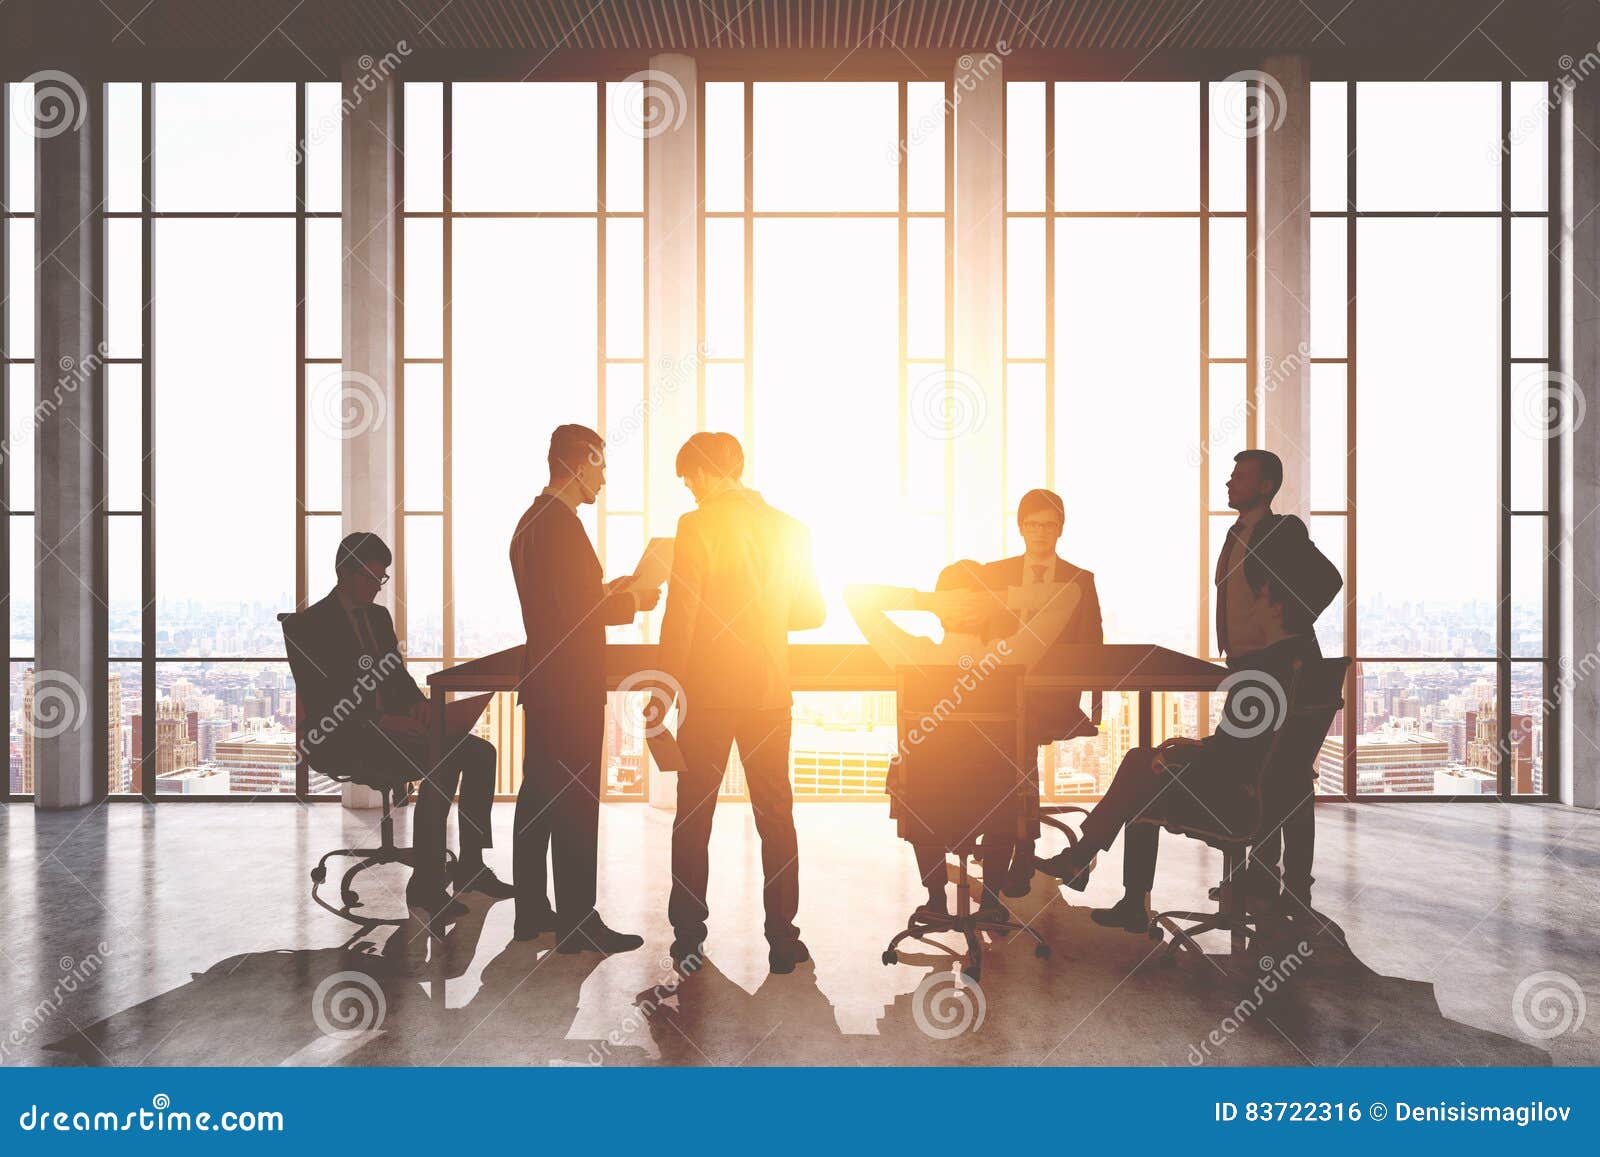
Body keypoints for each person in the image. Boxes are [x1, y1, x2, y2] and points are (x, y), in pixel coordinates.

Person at [1041, 449, 1339, 932]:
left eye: (1239, 477)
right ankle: (1248, 881)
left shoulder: (1282, 535)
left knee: (1146, 766)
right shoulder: (1236, 539)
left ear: (1265, 486)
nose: (1228, 482)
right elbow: (1249, 748)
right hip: (1247, 694)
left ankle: (1108, 877)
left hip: (1236, 774)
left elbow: (1328, 579)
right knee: (1156, 762)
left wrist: (1288, 615)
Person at [657, 432, 826, 973]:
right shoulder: (791, 529)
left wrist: (664, 688)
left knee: (694, 816)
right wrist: (763, 615)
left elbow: (681, 616)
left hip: (707, 695)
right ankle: (781, 938)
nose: (688, 489)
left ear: (707, 473)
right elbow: (812, 613)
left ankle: (688, 938)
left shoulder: (697, 526)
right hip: (768, 694)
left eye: (689, 478)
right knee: (776, 816)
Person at [294, 532, 509, 924]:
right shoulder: (310, 626)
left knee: (481, 752)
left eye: (382, 579)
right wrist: (381, 720)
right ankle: (426, 886)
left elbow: (396, 677)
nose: (378, 587)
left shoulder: (378, 617)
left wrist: (419, 707)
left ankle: (471, 867)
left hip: (392, 731)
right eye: (372, 578)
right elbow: (325, 700)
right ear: (346, 572)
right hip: (343, 737)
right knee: (439, 760)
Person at [846, 563, 1081, 921]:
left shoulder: (910, 655)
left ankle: (937, 900)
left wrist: (927, 601)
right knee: (1011, 775)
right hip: (996, 799)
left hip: (930, 799)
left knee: (905, 769)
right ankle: (989, 901)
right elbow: (1070, 595)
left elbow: (854, 596)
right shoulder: (1014, 656)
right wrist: (998, 600)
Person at [510, 424, 661, 953]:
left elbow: (562, 601)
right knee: (575, 802)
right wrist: (633, 602)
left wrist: (610, 590)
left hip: (545, 681)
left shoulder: (532, 522)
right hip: (569, 685)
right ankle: (577, 921)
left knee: (537, 798)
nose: (603, 478)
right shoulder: (562, 526)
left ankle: (531, 911)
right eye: (600, 466)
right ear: (581, 461)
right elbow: (579, 614)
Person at [979, 488, 1103, 897]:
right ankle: (1012, 839)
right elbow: (979, 634)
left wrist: (1090, 699)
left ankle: (1019, 845)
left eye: (1048, 525)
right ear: (1020, 527)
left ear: (1060, 529)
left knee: (1019, 741)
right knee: (1008, 742)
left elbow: (1092, 645)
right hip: (1000, 692)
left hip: (1052, 698)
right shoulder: (994, 575)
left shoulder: (1079, 580)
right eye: (1032, 524)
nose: (1040, 532)